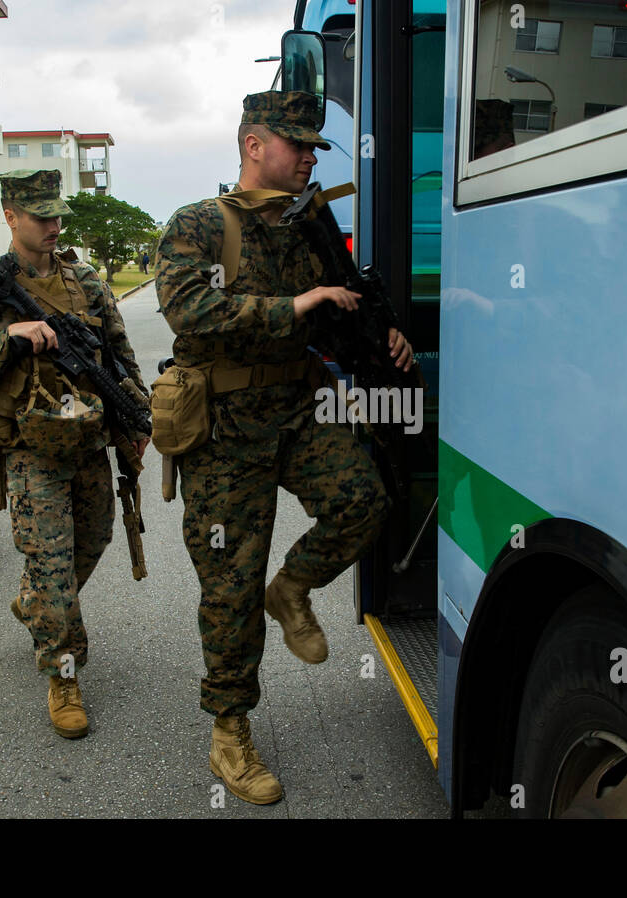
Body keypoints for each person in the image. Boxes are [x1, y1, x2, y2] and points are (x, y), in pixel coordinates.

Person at [153, 90, 414, 805]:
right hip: (224, 428)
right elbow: (189, 309)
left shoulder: (310, 227)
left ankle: (292, 587)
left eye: (314, 148)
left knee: (364, 500)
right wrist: (293, 306)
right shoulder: (199, 225)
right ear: (252, 144)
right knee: (230, 586)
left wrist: (378, 334)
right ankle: (230, 729)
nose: (307, 158)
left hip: (299, 408)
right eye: (296, 145)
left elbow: (335, 310)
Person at [0, 169, 150, 740]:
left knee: (95, 540)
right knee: (53, 565)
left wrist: (137, 418)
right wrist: (10, 340)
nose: (55, 226)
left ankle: (35, 602)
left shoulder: (86, 280)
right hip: (31, 448)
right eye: (41, 216)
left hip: (87, 443)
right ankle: (63, 672)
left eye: (58, 215)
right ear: (10, 216)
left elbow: (120, 355)